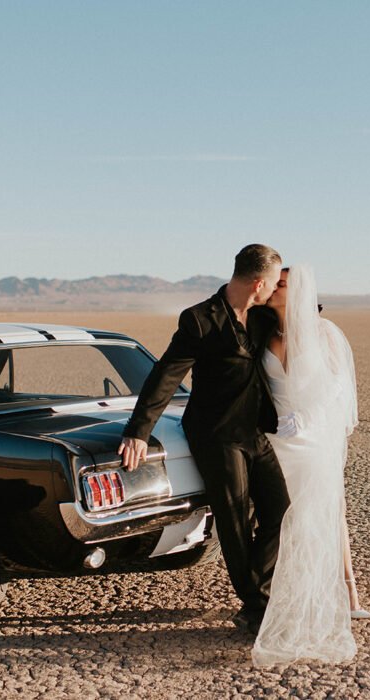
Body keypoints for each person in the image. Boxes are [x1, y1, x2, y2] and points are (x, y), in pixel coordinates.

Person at [118, 243, 289, 636]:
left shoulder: (262, 316)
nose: (274, 290)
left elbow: (294, 320)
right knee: (233, 521)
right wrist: (138, 431)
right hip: (216, 434)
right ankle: (258, 606)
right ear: (258, 282)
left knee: (281, 511)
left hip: (253, 432)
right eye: (273, 284)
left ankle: (256, 595)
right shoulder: (199, 320)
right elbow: (166, 375)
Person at [251, 265, 370, 668]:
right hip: (276, 440)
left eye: (280, 285)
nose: (271, 289)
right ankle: (277, 599)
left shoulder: (325, 333)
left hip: (314, 437)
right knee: (279, 519)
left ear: (298, 290)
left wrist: (304, 418)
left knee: (317, 517)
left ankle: (326, 601)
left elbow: (338, 386)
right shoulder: (265, 333)